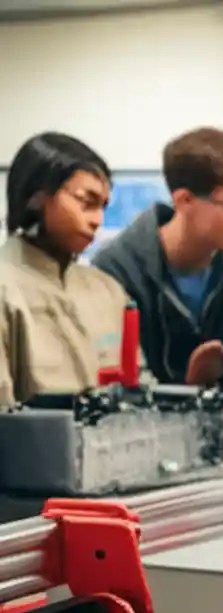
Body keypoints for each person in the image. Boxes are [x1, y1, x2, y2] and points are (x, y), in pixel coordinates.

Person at [92, 127, 223, 464]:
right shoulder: (116, 268)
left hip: (216, 438)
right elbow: (123, 389)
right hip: (139, 445)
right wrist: (193, 386)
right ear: (184, 200)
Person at [0, 133, 131, 408]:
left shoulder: (108, 291)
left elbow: (136, 394)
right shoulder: (6, 288)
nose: (97, 220)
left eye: (103, 207)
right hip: (31, 450)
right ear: (37, 196)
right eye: (87, 202)